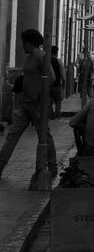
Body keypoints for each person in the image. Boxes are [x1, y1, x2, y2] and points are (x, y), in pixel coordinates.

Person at [0, 29, 58, 179]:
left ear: (30, 43)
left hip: (37, 104)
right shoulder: (29, 57)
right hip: (25, 103)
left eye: (23, 43)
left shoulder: (41, 56)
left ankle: (52, 166)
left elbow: (50, 78)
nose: (22, 46)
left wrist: (38, 94)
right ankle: (1, 164)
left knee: (44, 135)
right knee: (12, 134)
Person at [50, 45, 65, 119]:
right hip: (57, 84)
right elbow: (62, 73)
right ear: (57, 52)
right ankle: (57, 115)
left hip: (49, 85)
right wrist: (64, 82)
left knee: (49, 100)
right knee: (58, 100)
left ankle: (51, 114)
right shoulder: (59, 61)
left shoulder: (47, 60)